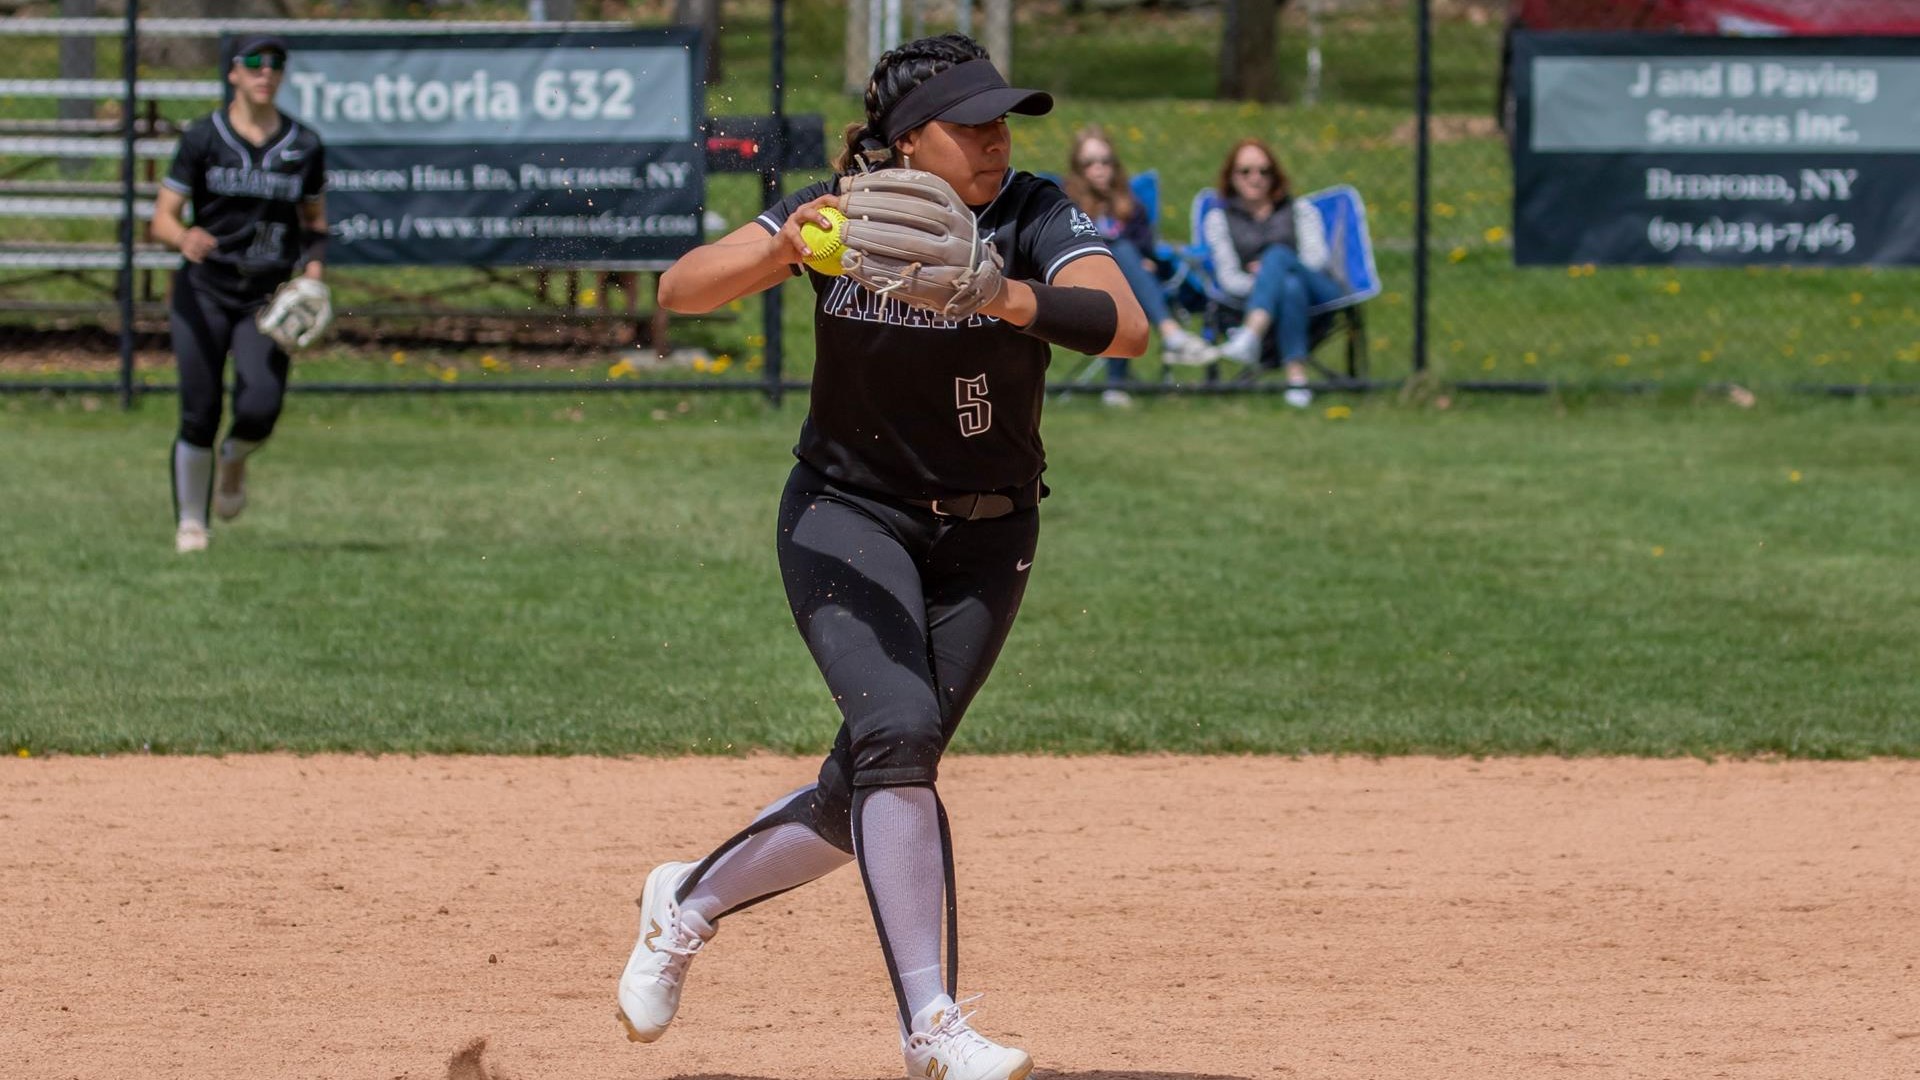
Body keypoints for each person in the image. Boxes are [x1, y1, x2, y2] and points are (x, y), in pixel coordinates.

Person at [620, 32, 1146, 1080]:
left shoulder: (1035, 211)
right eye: (972, 123)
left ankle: (687, 902)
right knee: (898, 738)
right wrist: (785, 246)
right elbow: (681, 290)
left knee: (860, 785)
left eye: (1004, 119)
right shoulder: (844, 211)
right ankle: (933, 1027)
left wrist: (997, 293)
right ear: (908, 142)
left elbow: (1124, 326)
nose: (997, 139)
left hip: (991, 533)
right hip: (846, 514)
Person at [150, 34, 327, 553]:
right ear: (233, 73)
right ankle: (190, 523)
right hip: (203, 290)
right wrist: (183, 236)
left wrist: (313, 275)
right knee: (198, 410)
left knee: (260, 406)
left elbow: (315, 222)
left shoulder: (304, 145)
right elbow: (161, 218)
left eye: (274, 63)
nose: (264, 71)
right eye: (253, 62)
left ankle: (235, 458)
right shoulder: (205, 137)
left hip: (265, 297)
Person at [1060, 126, 1208, 406]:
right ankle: (1170, 332)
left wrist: (1148, 264)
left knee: (1123, 275)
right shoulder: (1066, 204)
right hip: (1078, 277)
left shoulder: (1131, 207)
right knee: (1122, 250)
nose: (1099, 169)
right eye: (1089, 163)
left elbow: (1147, 249)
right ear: (1077, 169)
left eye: (1105, 162)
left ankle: (1116, 386)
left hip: (1126, 285)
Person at [1201, 138, 1341, 408]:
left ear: (1274, 176)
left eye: (1264, 171)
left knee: (1278, 256)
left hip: (1318, 291)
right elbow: (1229, 279)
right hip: (1260, 294)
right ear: (1231, 177)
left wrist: (1272, 268)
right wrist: (1266, 281)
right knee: (1289, 287)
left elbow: (1316, 262)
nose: (1255, 179)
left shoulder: (1299, 210)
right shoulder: (1218, 220)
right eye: (1245, 172)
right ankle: (1297, 380)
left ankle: (1251, 335)